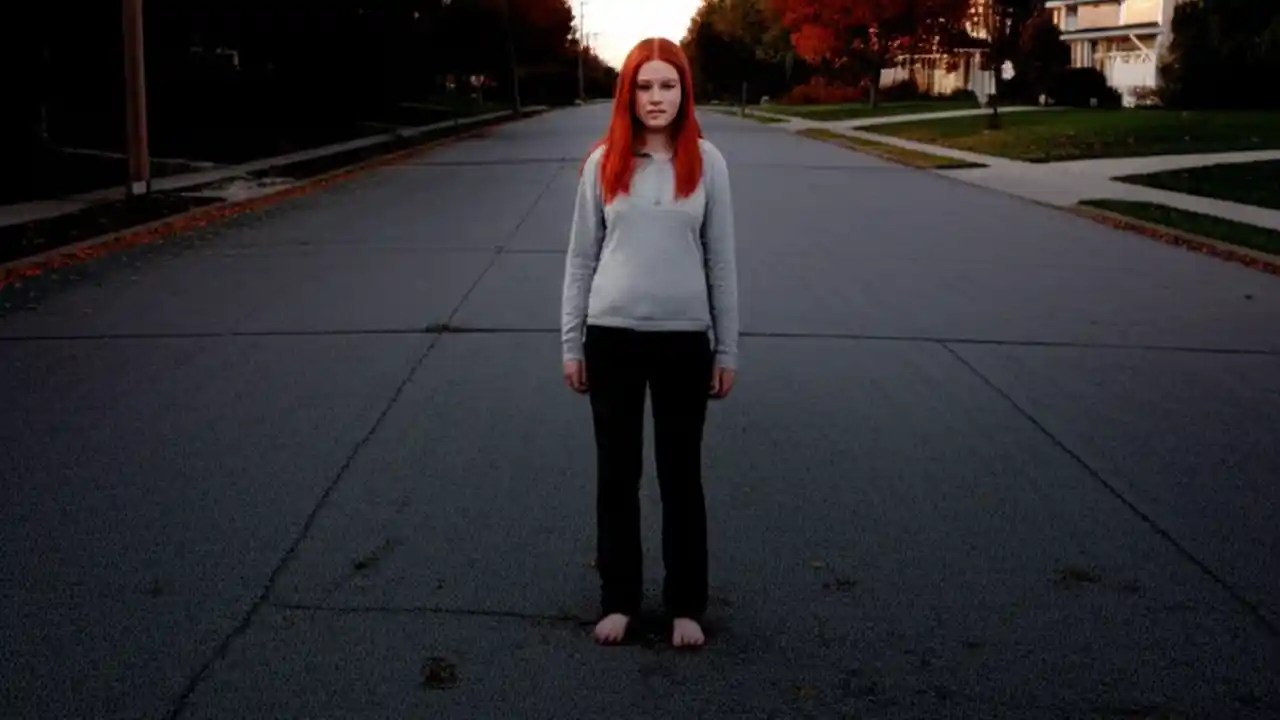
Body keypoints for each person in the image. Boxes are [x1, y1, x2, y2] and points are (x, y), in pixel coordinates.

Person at [560, 37, 739, 649]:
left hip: (684, 343)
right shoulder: (602, 162)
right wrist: (571, 343)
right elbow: (580, 260)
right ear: (628, 92)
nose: (656, 97)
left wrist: (727, 348)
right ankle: (620, 601)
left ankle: (686, 605)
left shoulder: (707, 162)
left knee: (680, 476)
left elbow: (722, 263)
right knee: (617, 476)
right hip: (611, 338)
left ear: (684, 91)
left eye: (667, 85)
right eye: (645, 86)